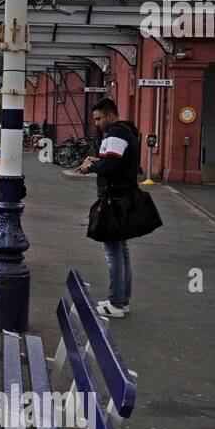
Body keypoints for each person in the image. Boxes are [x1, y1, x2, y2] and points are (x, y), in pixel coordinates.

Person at [77, 97, 142, 319]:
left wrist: (90, 167)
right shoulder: (127, 132)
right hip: (123, 196)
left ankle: (116, 302)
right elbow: (116, 160)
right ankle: (122, 301)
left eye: (98, 118)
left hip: (113, 199)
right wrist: (98, 159)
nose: (96, 123)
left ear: (110, 115)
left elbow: (111, 165)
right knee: (121, 250)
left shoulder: (116, 133)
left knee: (113, 252)